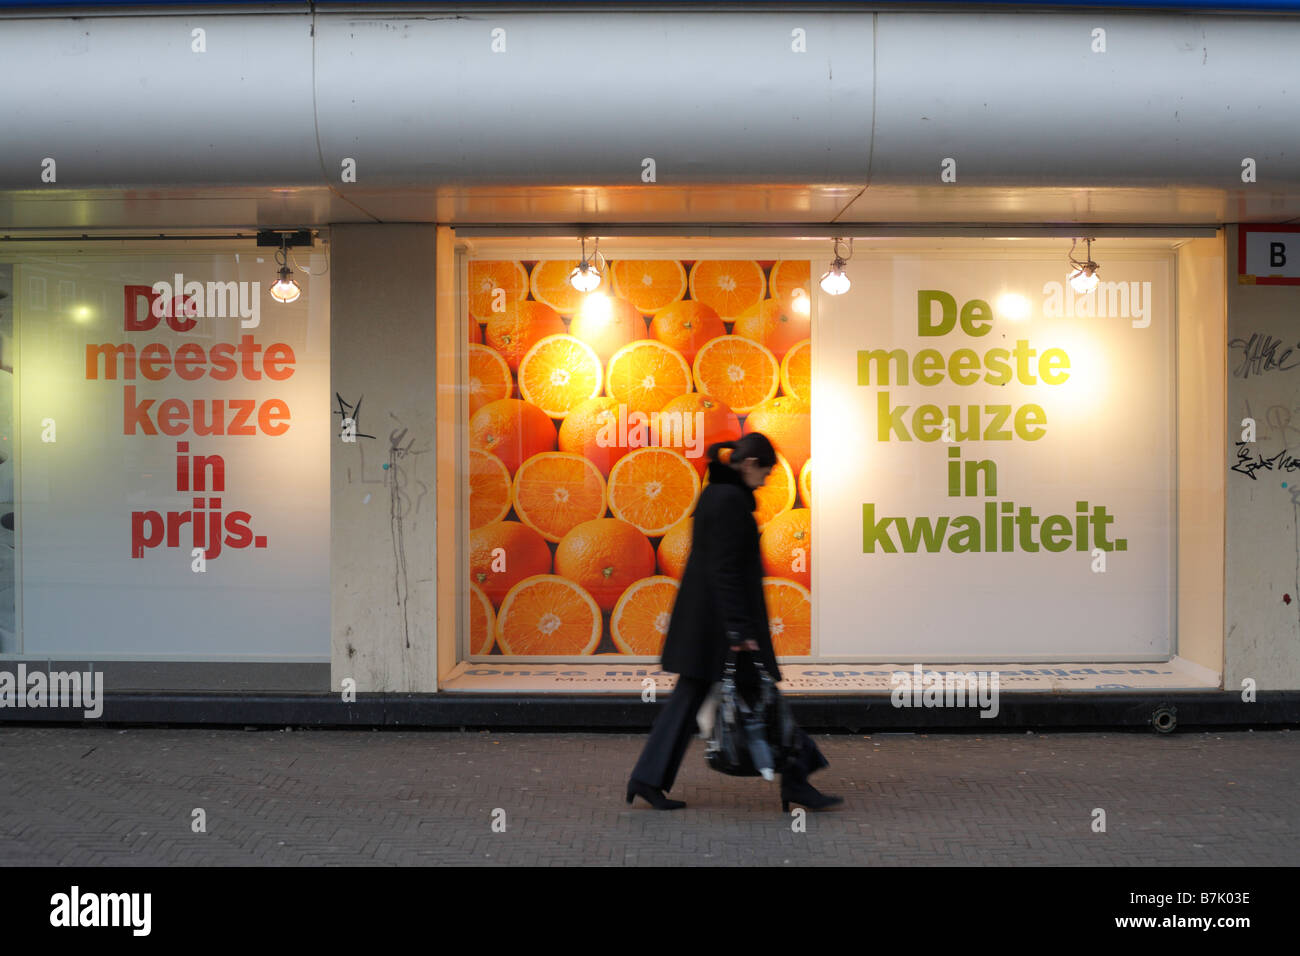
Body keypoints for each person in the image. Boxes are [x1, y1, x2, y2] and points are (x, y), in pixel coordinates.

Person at [626, 432, 842, 812]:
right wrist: (740, 630)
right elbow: (725, 570)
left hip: (708, 627)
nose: (768, 479)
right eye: (767, 471)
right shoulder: (729, 502)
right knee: (765, 699)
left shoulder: (718, 495)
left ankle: (646, 779)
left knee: (689, 703)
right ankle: (798, 778)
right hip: (724, 629)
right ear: (748, 464)